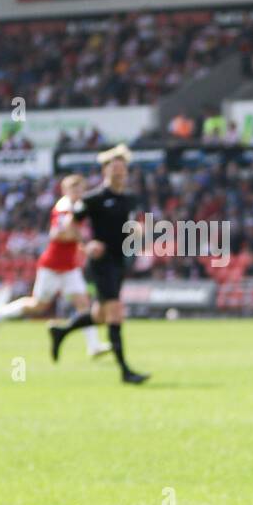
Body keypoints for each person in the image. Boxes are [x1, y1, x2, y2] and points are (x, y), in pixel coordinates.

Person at [47, 145, 150, 384]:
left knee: (101, 315)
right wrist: (86, 244)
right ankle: (125, 371)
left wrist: (139, 230)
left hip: (120, 260)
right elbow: (71, 226)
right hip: (101, 263)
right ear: (105, 170)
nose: (119, 171)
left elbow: (137, 223)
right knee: (116, 312)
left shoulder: (131, 198)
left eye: (122, 167)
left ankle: (61, 331)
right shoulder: (93, 198)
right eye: (114, 167)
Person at [0, 174, 111, 359]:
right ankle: (2, 312)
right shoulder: (63, 208)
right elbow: (56, 235)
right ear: (65, 191)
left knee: (83, 304)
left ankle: (93, 346)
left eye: (80, 189)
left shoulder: (79, 207)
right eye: (74, 189)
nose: (78, 193)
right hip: (52, 266)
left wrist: (81, 244)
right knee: (38, 306)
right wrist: (82, 240)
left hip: (70, 267)